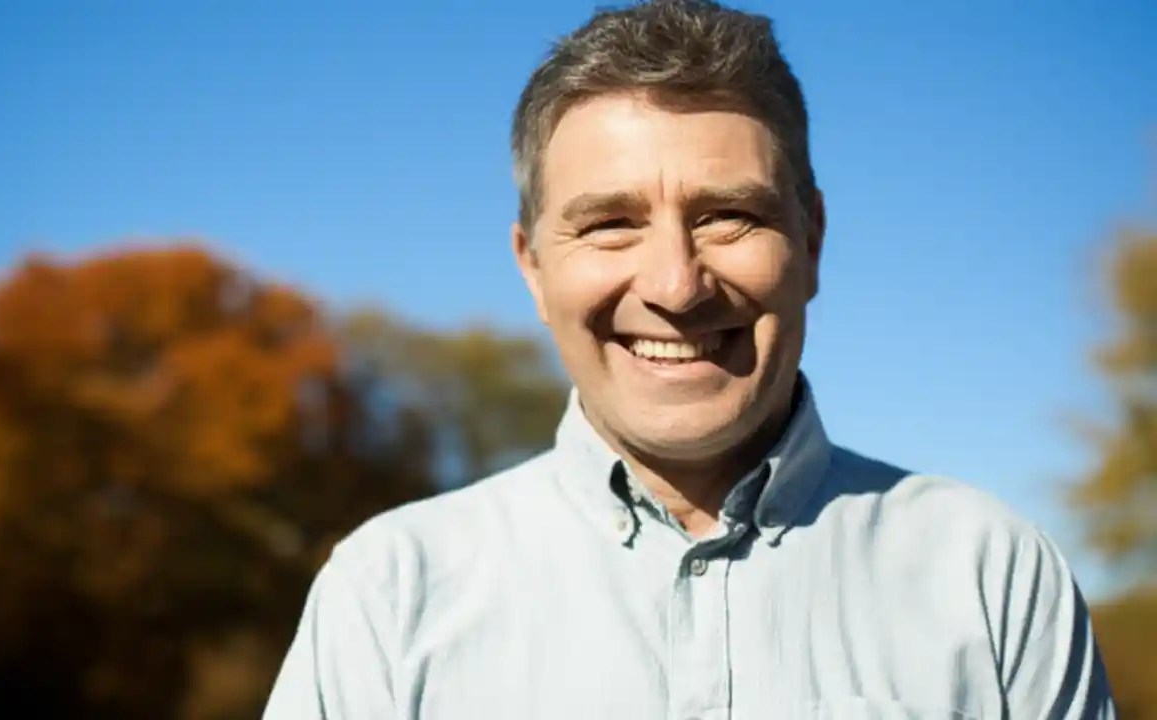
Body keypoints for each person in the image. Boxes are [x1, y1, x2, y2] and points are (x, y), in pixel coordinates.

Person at [264, 1, 1115, 717]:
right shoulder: (388, 593)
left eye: (728, 216)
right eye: (610, 224)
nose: (676, 284)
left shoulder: (990, 573)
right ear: (532, 264)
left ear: (811, 241)